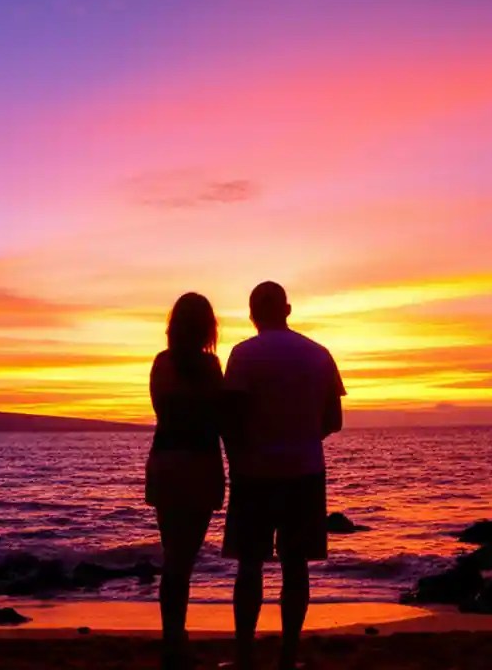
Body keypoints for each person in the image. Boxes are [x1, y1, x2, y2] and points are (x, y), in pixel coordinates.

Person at [222, 281, 345, 670]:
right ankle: (288, 656)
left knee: (249, 564)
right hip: (305, 471)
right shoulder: (319, 354)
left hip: (253, 473)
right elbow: (334, 421)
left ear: (252, 314)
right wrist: (302, 435)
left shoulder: (242, 355)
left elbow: (233, 420)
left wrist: (250, 449)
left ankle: (244, 655)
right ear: (287, 310)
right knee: (296, 566)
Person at [145, 292, 227, 670]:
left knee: (173, 557)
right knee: (182, 560)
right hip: (196, 465)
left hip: (165, 463)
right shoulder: (211, 368)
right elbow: (217, 419)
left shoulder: (161, 365)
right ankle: (175, 643)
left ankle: (172, 638)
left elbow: (164, 410)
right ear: (208, 327)